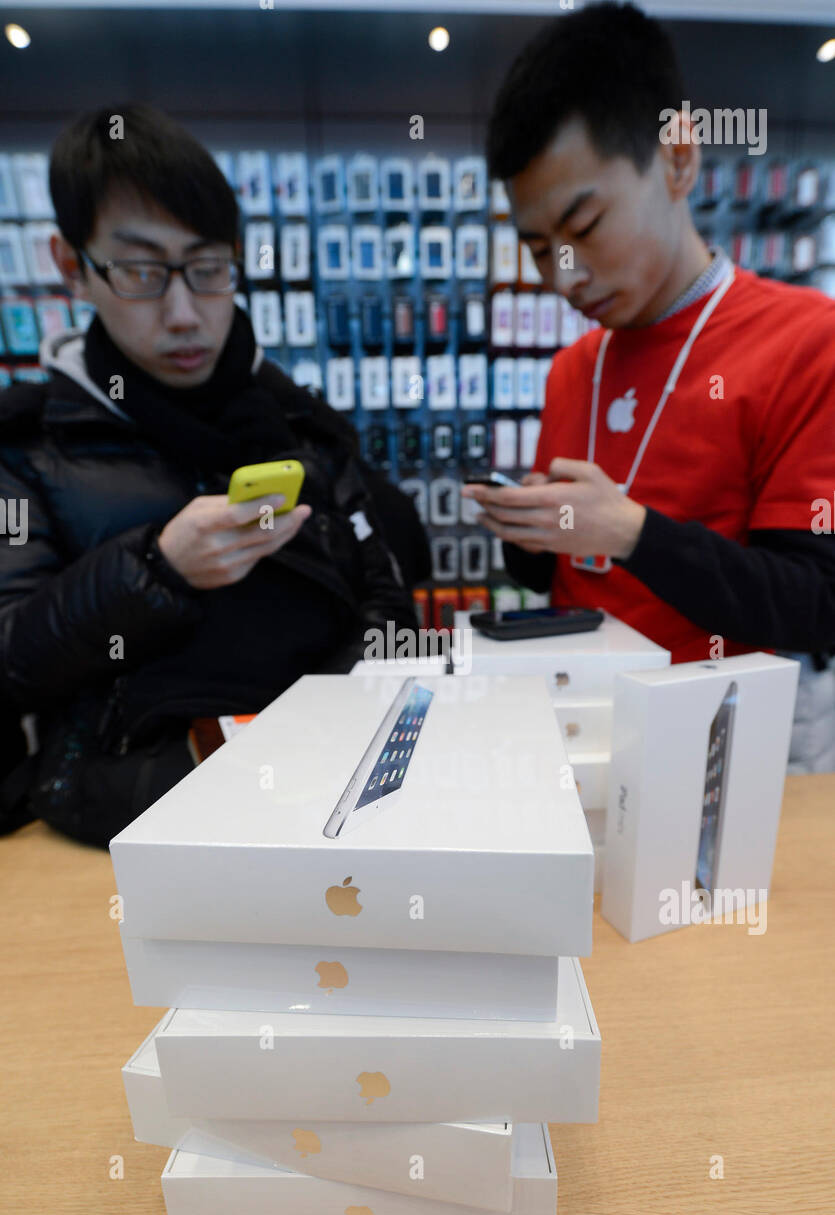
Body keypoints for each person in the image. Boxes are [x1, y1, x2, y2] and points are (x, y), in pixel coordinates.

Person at [0, 105, 424, 847]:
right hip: (126, 829)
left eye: (207, 269)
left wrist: (310, 733)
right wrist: (156, 569)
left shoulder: (296, 422)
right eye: (139, 271)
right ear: (72, 266)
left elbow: (388, 602)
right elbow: (14, 661)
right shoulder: (30, 444)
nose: (184, 313)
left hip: (330, 810)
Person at [465, 2, 835, 763]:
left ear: (675, 159)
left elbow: (814, 605)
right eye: (537, 248)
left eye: (585, 226)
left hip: (730, 759)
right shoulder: (575, 367)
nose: (563, 277)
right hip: (578, 736)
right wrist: (527, 525)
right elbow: (560, 578)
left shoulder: (807, 342)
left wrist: (630, 533)